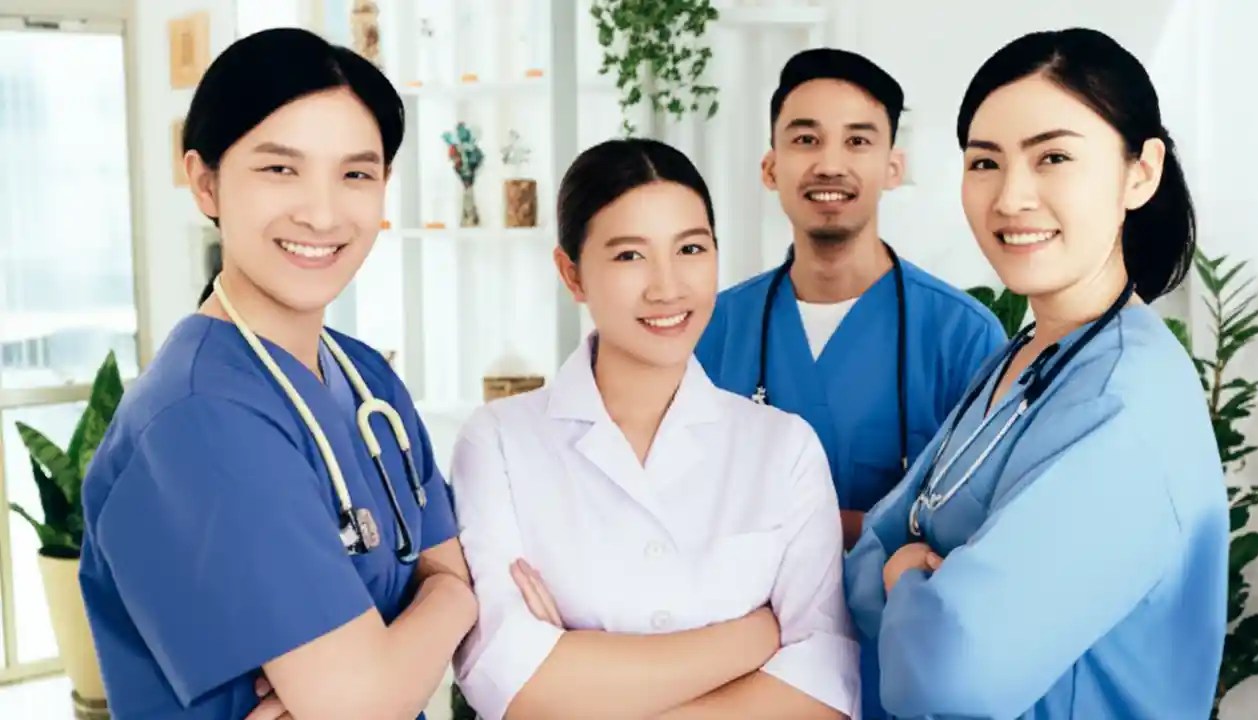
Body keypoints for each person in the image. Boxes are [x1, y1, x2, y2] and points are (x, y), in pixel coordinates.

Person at [78, 28, 476, 719]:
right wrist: (429, 622)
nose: (322, 213)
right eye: (280, 169)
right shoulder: (198, 419)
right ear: (205, 181)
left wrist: (448, 599)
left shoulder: (365, 380)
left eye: (356, 173)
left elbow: (454, 576)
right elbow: (362, 702)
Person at [844, 28, 1227, 719]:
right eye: (984, 162)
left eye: (1052, 157)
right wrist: (907, 580)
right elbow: (874, 544)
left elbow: (950, 671)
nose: (1011, 198)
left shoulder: (1126, 406)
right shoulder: (1030, 353)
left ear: (1140, 172)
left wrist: (903, 573)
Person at [447, 138, 859, 720]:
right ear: (573, 273)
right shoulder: (499, 442)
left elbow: (825, 684)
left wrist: (582, 672)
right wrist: (749, 640)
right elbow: (510, 682)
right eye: (629, 256)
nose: (667, 287)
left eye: (690, 248)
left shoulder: (782, 447)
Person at [693, 47, 1006, 719]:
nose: (829, 163)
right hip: (746, 685)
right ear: (771, 166)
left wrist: (803, 530)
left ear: (894, 166)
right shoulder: (709, 330)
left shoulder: (964, 339)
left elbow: (989, 543)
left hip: (904, 680)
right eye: (805, 139)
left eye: (858, 141)